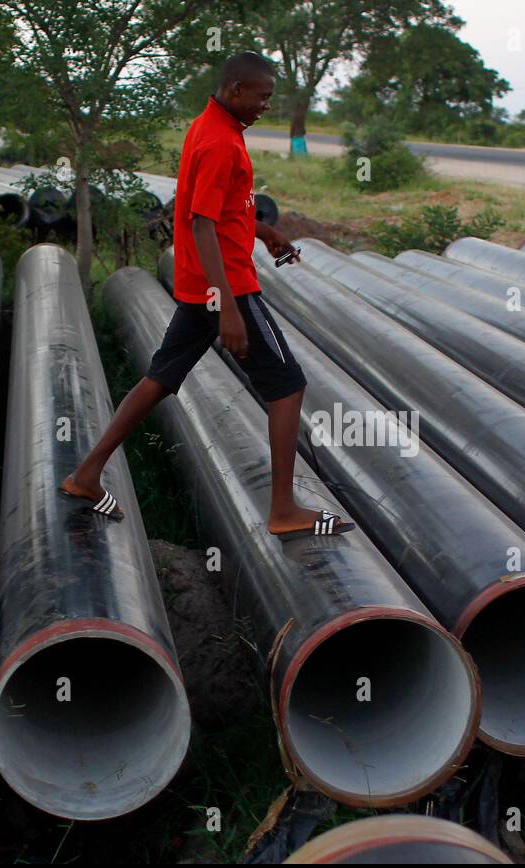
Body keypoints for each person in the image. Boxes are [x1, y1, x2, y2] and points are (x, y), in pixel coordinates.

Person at [60, 51, 355, 539]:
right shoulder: (220, 141)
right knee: (288, 385)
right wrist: (229, 308)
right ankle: (283, 510)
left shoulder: (211, 127)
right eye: (261, 96)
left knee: (162, 377)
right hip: (227, 285)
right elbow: (201, 223)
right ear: (236, 88)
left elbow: (219, 207)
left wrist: (262, 230)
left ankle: (86, 475)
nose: (266, 105)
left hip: (201, 286)